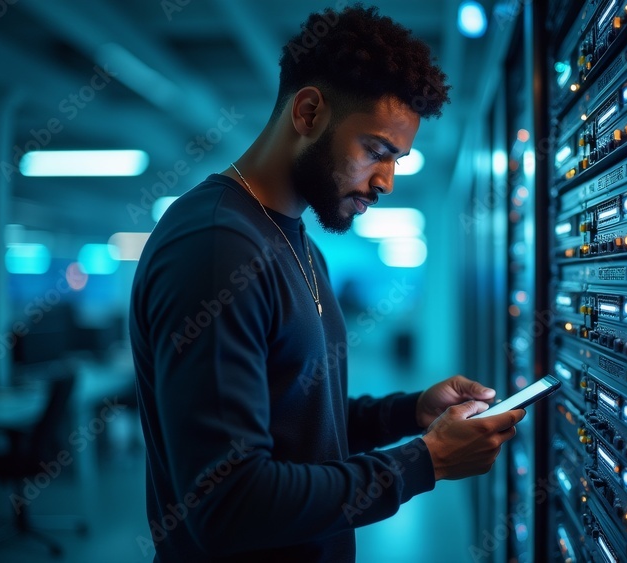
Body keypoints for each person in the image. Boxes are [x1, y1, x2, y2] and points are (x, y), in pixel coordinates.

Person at [129, 4, 524, 562]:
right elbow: (226, 503)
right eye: (376, 151)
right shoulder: (216, 247)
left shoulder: (298, 242)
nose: (386, 181)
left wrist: (411, 412)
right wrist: (425, 462)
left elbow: (301, 423)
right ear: (309, 112)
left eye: (398, 160)